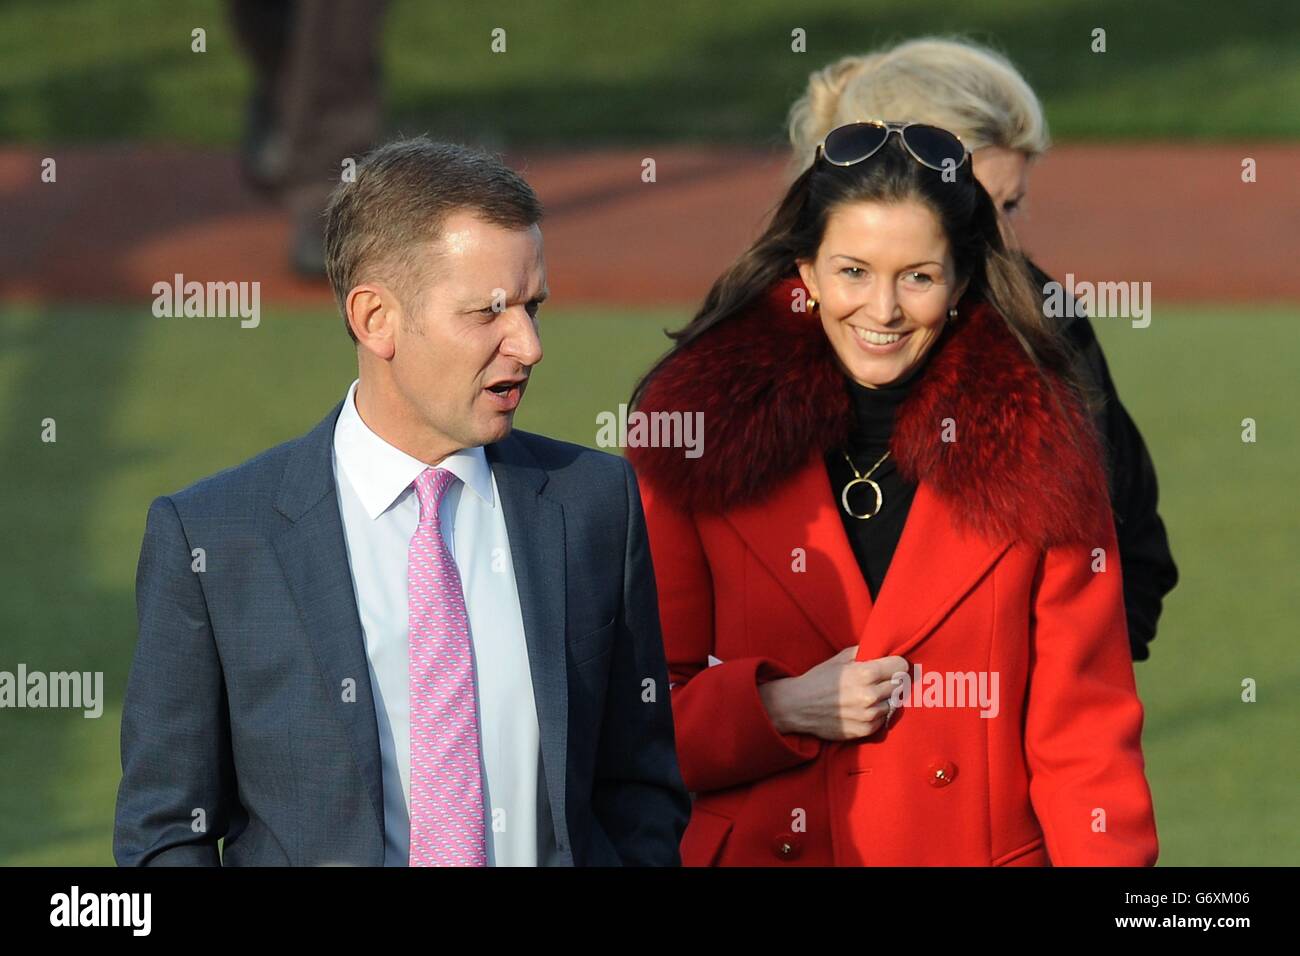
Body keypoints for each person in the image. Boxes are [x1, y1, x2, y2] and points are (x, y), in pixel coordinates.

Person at [114, 137, 690, 866]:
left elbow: (638, 788)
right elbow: (166, 831)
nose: (530, 344)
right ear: (375, 318)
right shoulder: (215, 539)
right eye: (488, 313)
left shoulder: (596, 505)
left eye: (532, 305)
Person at [627, 120, 1158, 866]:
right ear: (806, 272)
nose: (882, 311)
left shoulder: (1047, 445)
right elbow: (634, 715)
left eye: (917, 276)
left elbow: (1085, 736)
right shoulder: (693, 432)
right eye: (853, 272)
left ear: (961, 280)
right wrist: (777, 707)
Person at [786, 37, 1177, 661]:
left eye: (1010, 205)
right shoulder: (750, 343)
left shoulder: (1043, 321)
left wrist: (1037, 704)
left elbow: (1130, 557)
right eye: (973, 205)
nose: (999, 240)